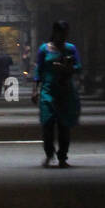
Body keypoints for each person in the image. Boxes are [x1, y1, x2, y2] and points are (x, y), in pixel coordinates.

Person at [32, 20, 82, 167]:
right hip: (48, 91)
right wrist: (35, 90)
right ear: (54, 33)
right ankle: (49, 153)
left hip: (66, 91)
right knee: (47, 124)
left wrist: (67, 68)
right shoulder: (44, 49)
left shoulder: (71, 49)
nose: (64, 36)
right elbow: (38, 70)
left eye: (66, 33)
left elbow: (78, 67)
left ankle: (62, 157)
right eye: (61, 33)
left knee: (64, 126)